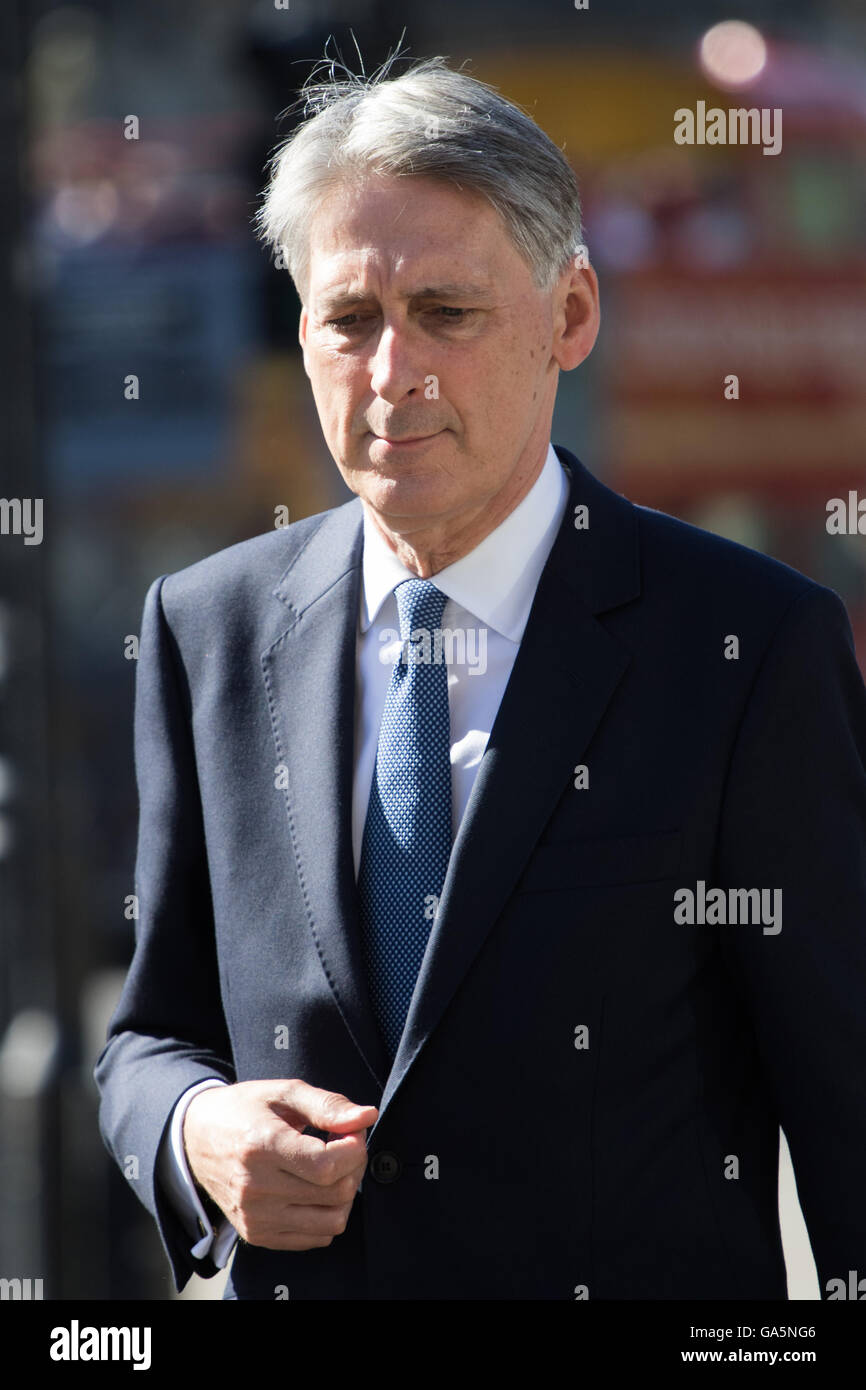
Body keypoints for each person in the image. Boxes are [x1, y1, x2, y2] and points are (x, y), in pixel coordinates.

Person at [95, 54, 866, 1301]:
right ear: (301, 334)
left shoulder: (743, 648)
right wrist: (197, 1133)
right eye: (349, 319)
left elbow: (843, 1104)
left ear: (568, 317)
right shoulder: (205, 629)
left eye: (446, 313)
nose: (393, 371)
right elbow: (147, 1037)